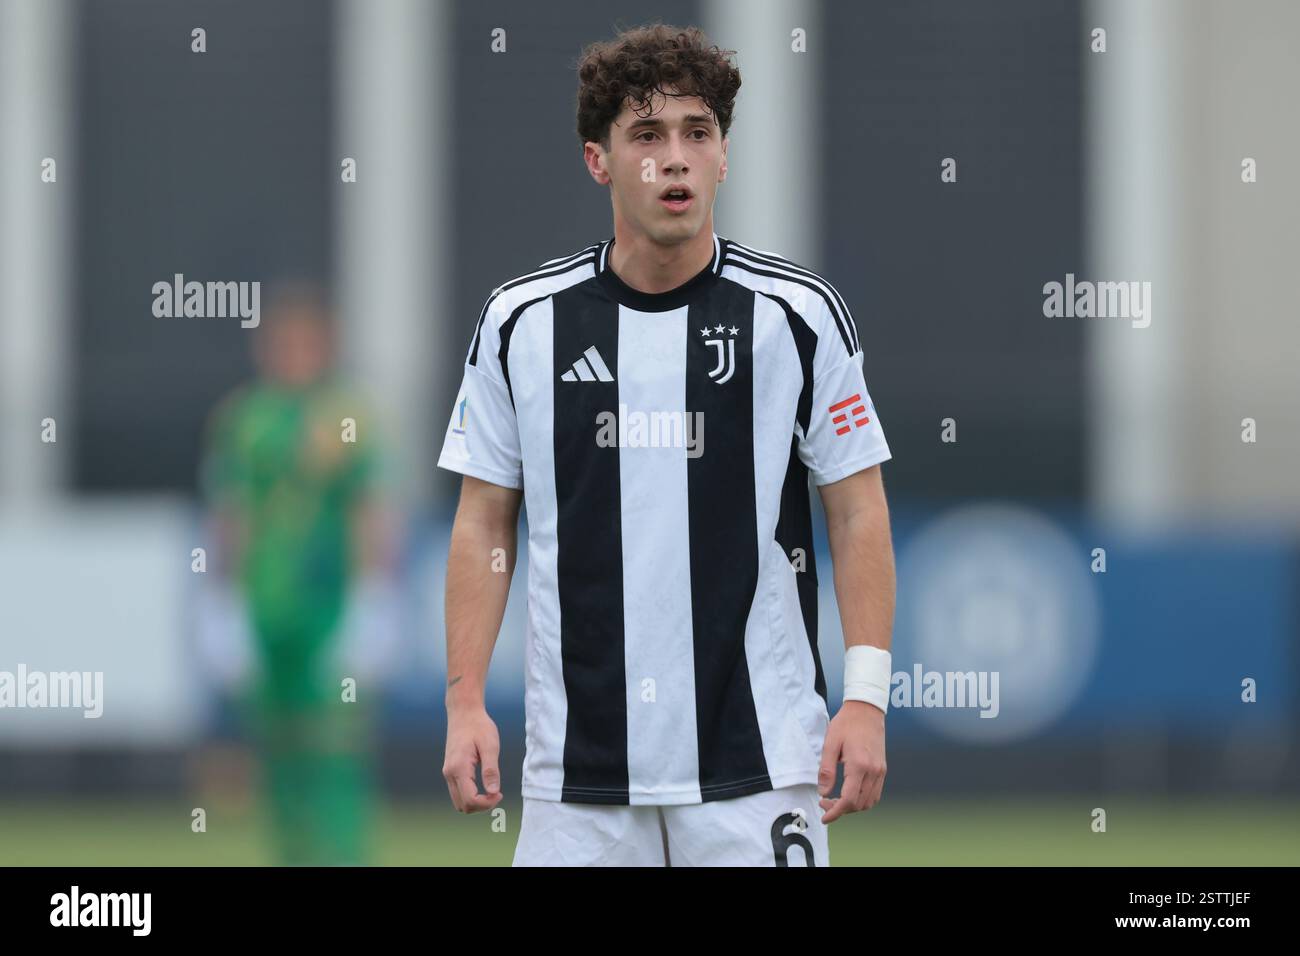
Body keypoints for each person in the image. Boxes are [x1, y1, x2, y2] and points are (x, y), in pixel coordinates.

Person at [437, 24, 895, 866]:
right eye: (646, 135)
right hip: (577, 781)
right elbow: (482, 523)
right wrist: (465, 701)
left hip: (758, 769)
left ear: (724, 156)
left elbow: (858, 512)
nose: (674, 158)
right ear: (597, 160)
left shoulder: (796, 318)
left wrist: (865, 700)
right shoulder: (521, 323)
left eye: (698, 132)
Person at [200, 281, 397, 865]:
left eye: (303, 343)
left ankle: (342, 857)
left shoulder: (346, 418)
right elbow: (229, 515)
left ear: (324, 346)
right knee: (278, 747)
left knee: (334, 748)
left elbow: (371, 511)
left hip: (328, 607)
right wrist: (222, 603)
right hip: (266, 606)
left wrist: (373, 598)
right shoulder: (244, 418)